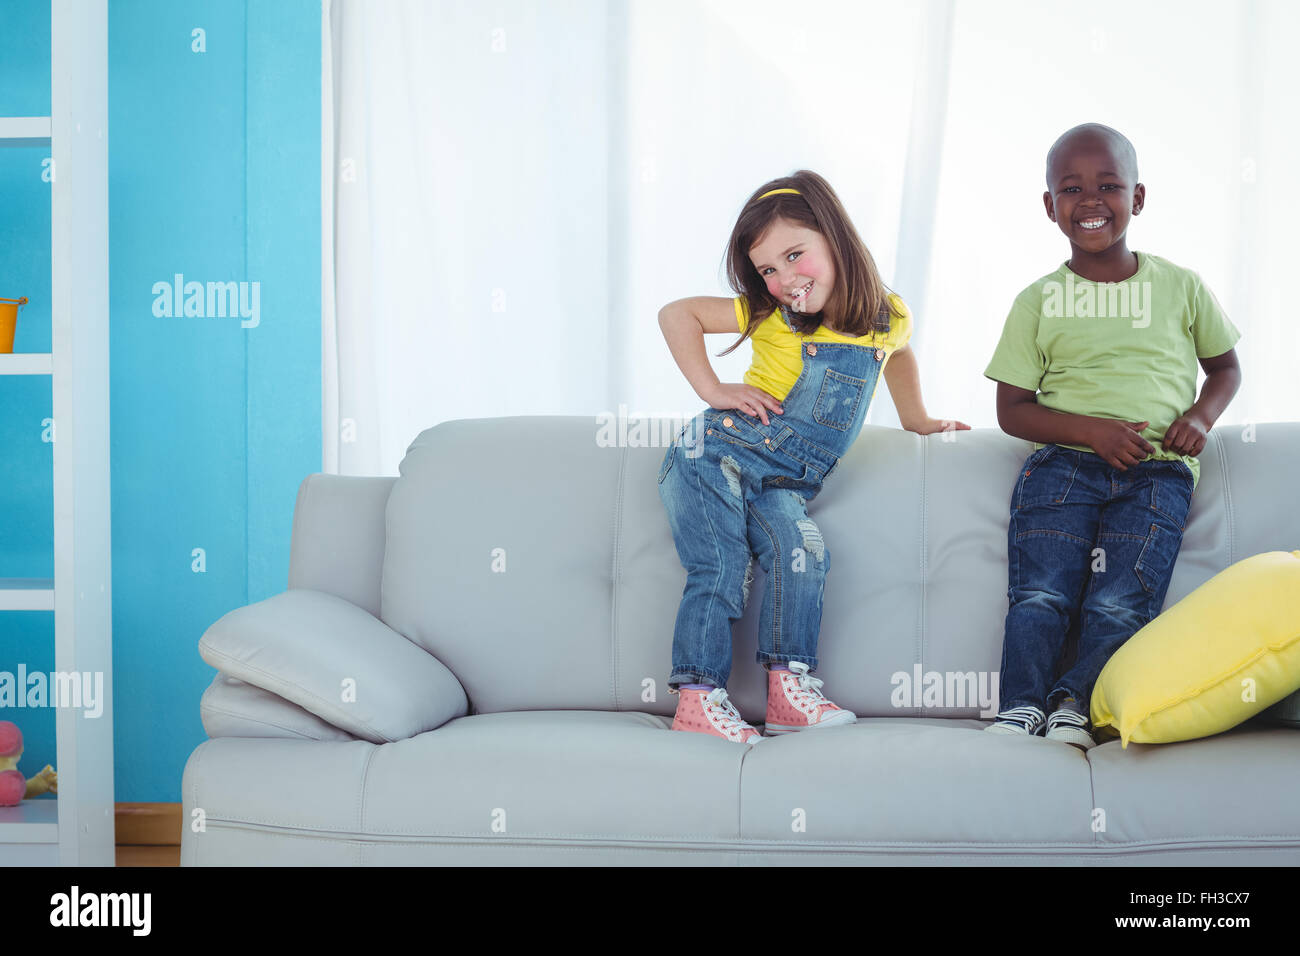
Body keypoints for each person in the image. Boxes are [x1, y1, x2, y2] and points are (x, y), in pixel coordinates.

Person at [657, 169, 968, 743]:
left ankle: (787, 693)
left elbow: (899, 356)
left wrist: (917, 419)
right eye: (767, 270)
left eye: (795, 255)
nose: (785, 280)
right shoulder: (769, 313)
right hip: (716, 455)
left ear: (836, 238)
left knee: (804, 555)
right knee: (722, 566)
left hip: (784, 482)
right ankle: (697, 699)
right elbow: (678, 314)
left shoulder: (887, 318)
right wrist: (713, 389)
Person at [984, 123, 1242, 749]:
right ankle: (1020, 708)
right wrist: (1091, 431)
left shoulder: (1182, 286)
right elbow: (1012, 410)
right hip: (1061, 469)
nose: (1091, 201)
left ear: (1138, 198)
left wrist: (1199, 418)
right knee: (1040, 593)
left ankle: (1077, 706)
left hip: (1157, 472)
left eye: (1109, 186)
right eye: (1071, 189)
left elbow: (1226, 369)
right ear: (1050, 206)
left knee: (1121, 601)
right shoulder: (1037, 301)